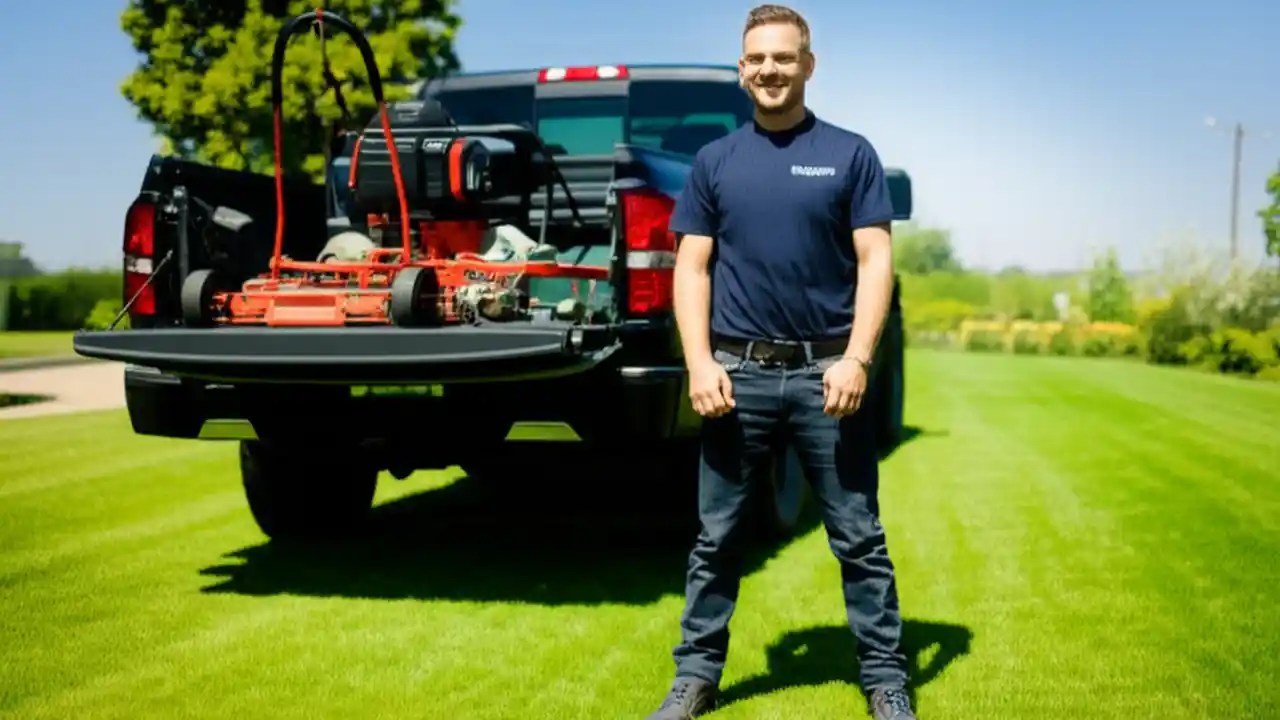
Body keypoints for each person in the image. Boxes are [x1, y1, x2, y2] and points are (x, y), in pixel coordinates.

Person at [645, 4, 917, 720]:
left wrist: (859, 359)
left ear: (808, 65)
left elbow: (875, 261)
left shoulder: (850, 154)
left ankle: (886, 681)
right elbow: (692, 269)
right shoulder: (715, 163)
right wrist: (700, 364)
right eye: (757, 59)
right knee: (717, 537)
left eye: (784, 58)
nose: (770, 70)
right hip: (740, 379)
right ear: (743, 69)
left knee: (858, 538)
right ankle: (695, 678)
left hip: (830, 378)